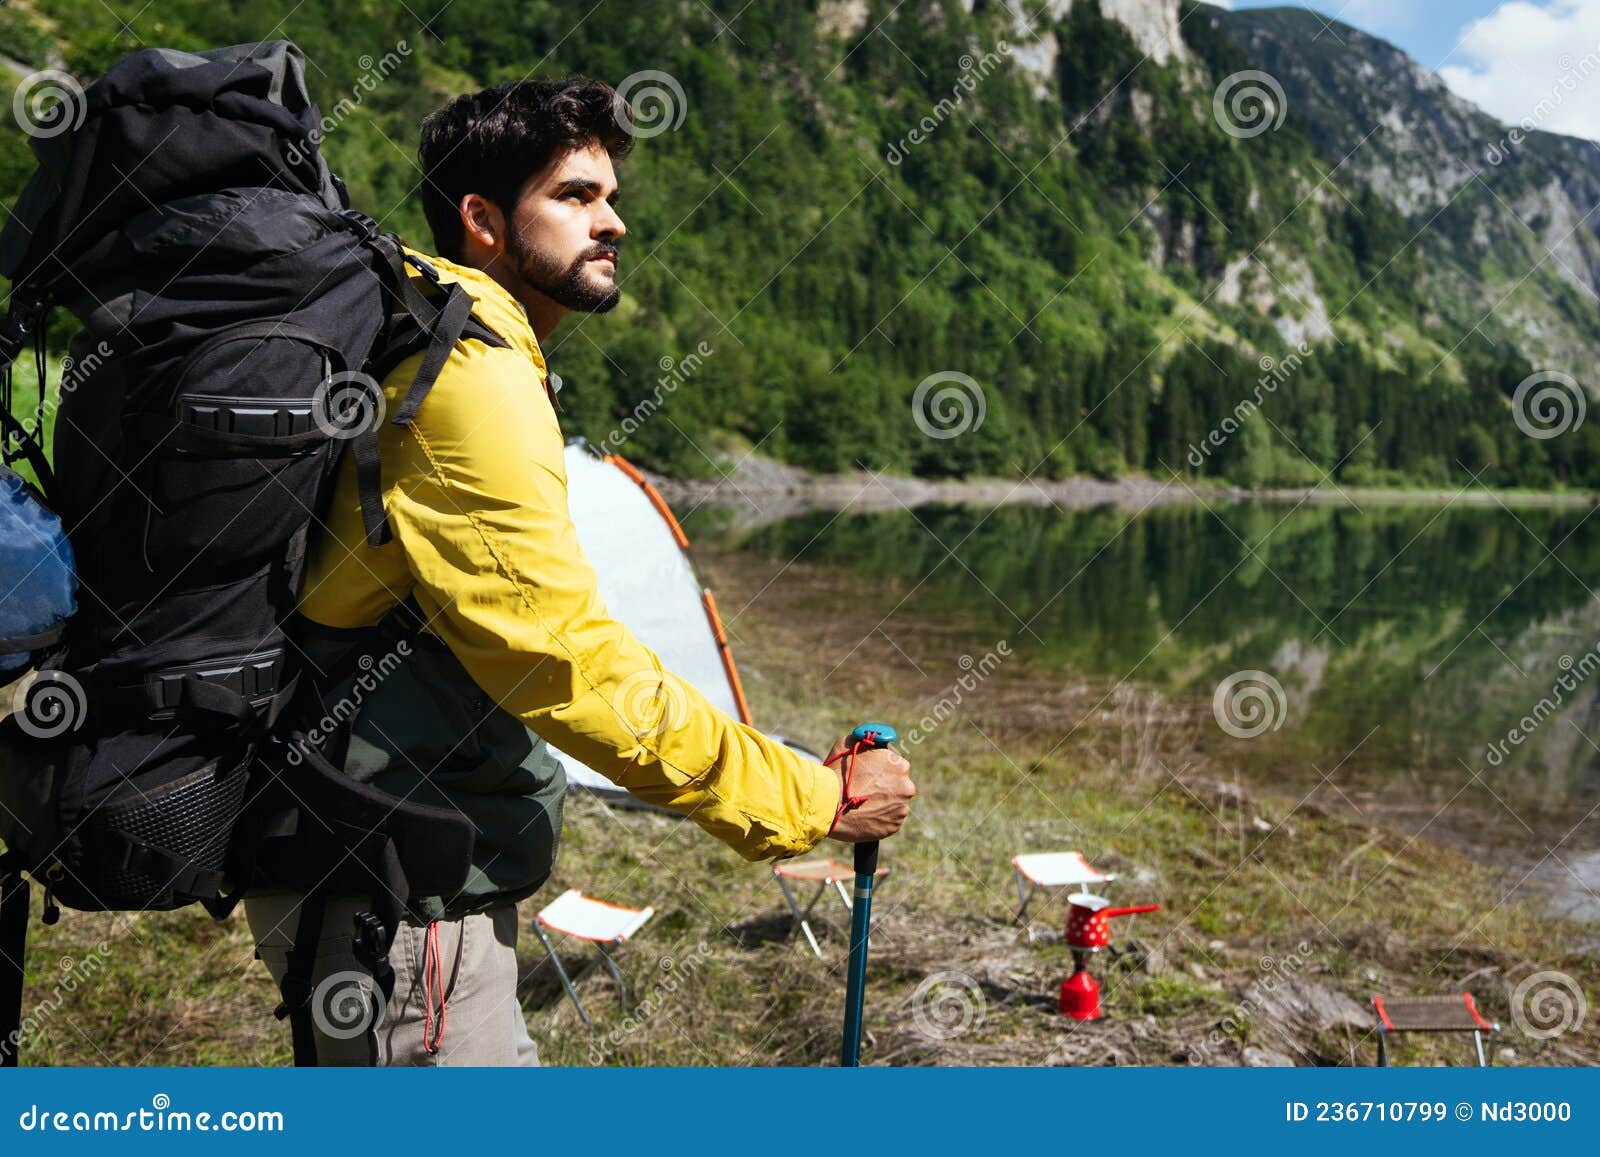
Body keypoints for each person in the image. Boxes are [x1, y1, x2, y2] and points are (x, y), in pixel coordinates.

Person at [242, 76, 916, 1066]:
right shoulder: (468, 383)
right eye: (575, 196)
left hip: (382, 866)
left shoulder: (442, 347)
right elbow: (569, 668)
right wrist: (808, 799)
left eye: (609, 195)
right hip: (399, 901)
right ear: (481, 219)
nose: (616, 222)